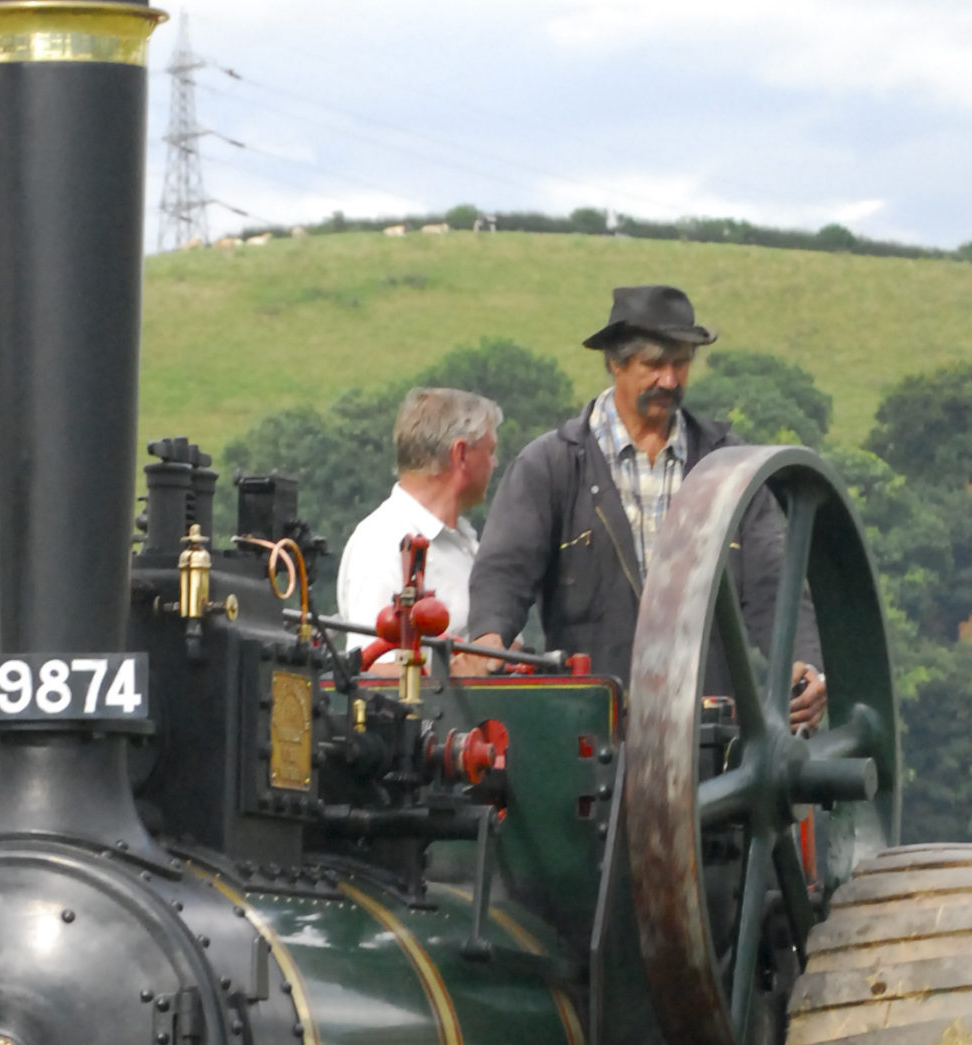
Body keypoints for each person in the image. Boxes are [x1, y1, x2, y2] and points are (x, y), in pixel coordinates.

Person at [458, 284, 826, 725]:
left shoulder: (727, 465)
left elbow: (773, 580)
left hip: (704, 738)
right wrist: (489, 639)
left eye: (680, 365)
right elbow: (505, 569)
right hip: (592, 733)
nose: (669, 381)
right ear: (615, 363)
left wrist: (802, 662)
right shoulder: (551, 466)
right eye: (653, 365)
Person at [336, 387, 501, 653]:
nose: (494, 463)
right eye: (490, 450)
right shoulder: (381, 542)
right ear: (460, 454)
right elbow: (376, 669)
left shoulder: (463, 540)